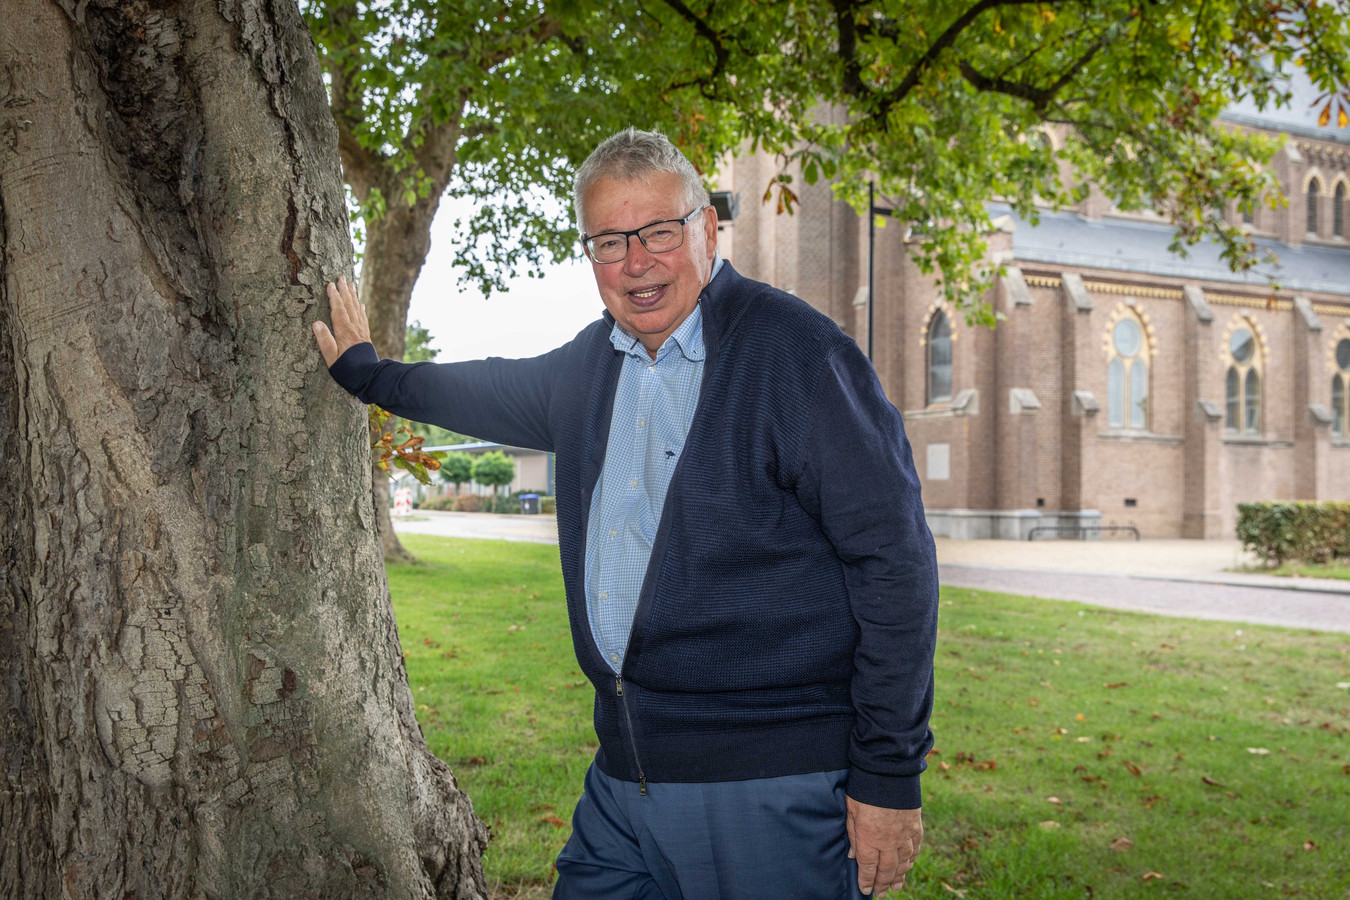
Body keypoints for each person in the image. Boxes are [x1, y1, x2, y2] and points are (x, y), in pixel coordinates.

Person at [314, 128, 938, 898]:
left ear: (707, 230)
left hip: (767, 785)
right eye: (610, 242)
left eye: (659, 231)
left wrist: (888, 774)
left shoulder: (797, 356)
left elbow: (895, 567)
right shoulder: (591, 365)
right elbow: (482, 389)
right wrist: (369, 375)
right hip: (623, 782)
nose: (636, 262)